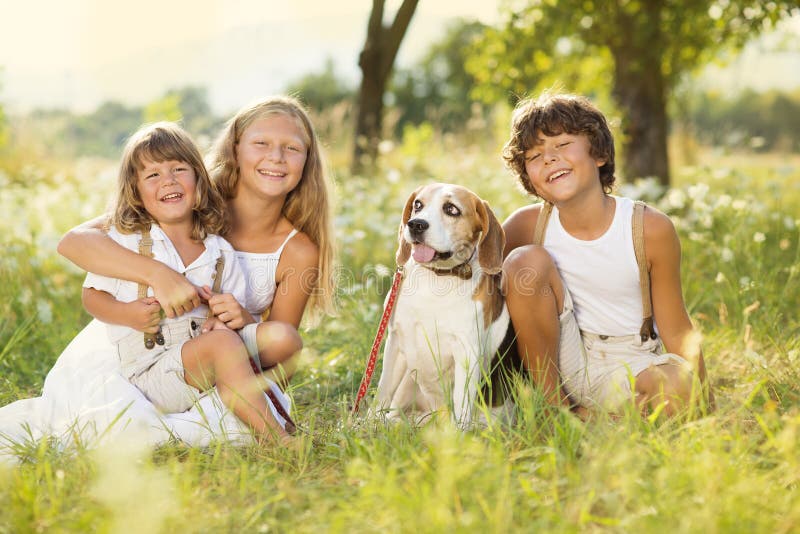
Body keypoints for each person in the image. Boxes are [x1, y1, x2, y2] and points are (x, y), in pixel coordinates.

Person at [58, 96, 335, 388]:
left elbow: (279, 357)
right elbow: (74, 242)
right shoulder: (189, 200)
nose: (277, 157)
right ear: (235, 149)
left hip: (221, 362)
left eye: (292, 148)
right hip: (144, 344)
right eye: (261, 143)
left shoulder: (298, 251)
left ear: (307, 159)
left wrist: (240, 318)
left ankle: (245, 409)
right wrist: (158, 275)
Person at [500, 92, 712, 417]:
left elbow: (676, 327)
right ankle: (553, 413)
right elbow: (479, 292)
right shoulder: (526, 227)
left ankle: (591, 419)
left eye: (561, 145)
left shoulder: (648, 229)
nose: (549, 158)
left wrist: (706, 405)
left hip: (634, 359)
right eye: (534, 155)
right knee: (524, 262)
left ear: (598, 154)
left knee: (679, 388)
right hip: (561, 359)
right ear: (530, 179)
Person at [81, 121, 292, 444]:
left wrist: (224, 316)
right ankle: (278, 439)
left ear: (198, 179)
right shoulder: (128, 242)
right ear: (135, 191)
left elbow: (237, 318)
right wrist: (127, 315)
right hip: (150, 372)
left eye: (179, 169)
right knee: (224, 347)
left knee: (279, 339)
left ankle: (253, 405)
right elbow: (91, 296)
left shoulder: (219, 252)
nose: (168, 180)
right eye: (153, 175)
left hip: (196, 363)